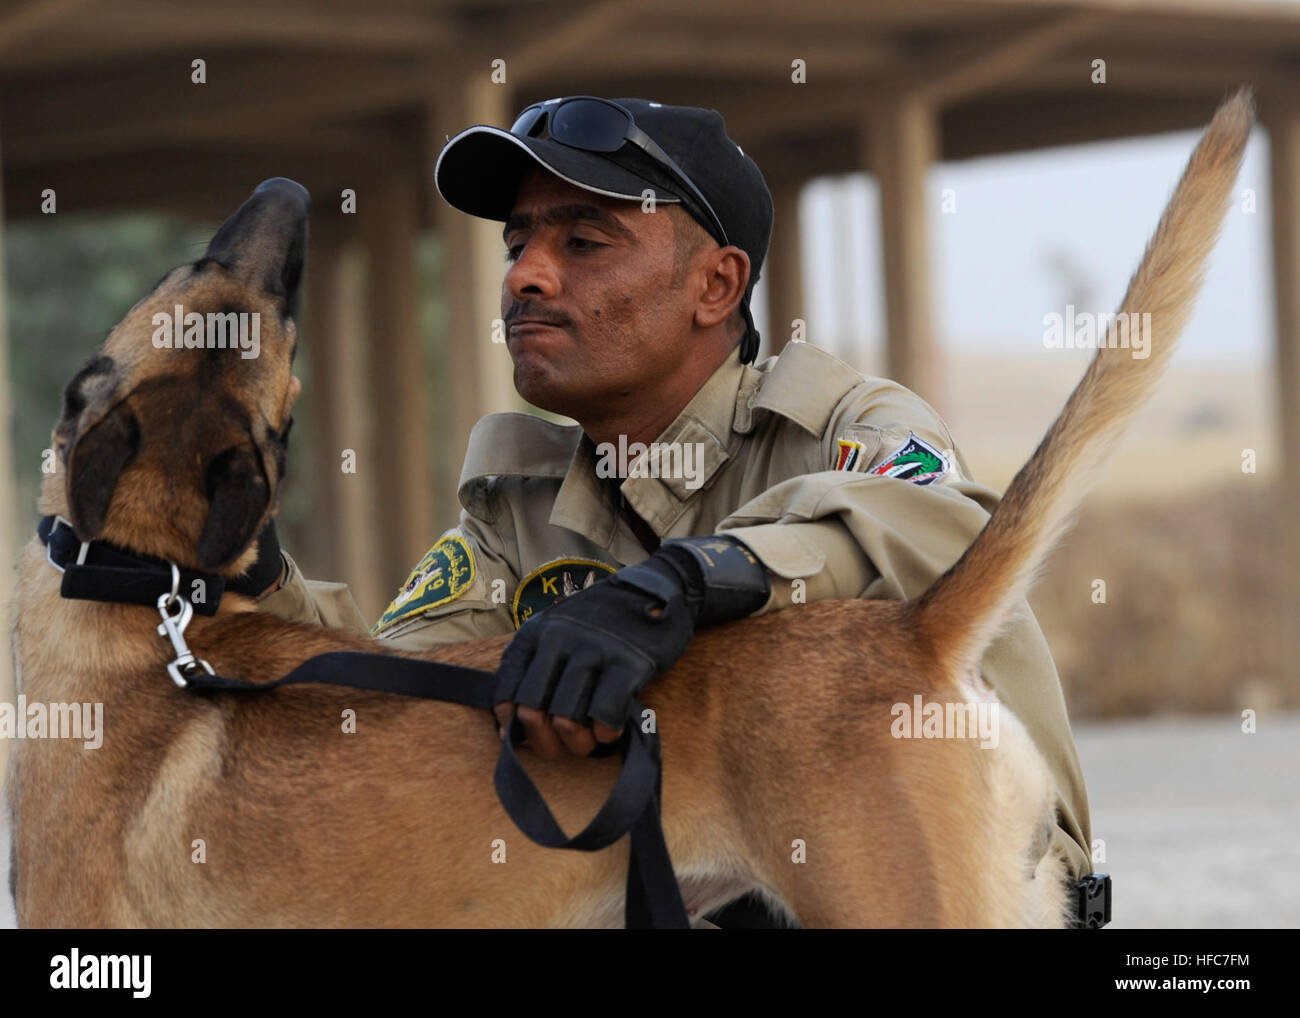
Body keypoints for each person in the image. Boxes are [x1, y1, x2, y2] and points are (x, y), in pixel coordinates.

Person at [255, 95, 1095, 926]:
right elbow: (383, 703)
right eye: (519, 244)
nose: (523, 276)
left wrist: (686, 586)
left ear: (715, 285)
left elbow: (938, 523)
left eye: (582, 242)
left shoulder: (842, 423)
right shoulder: (519, 508)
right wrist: (246, 562)